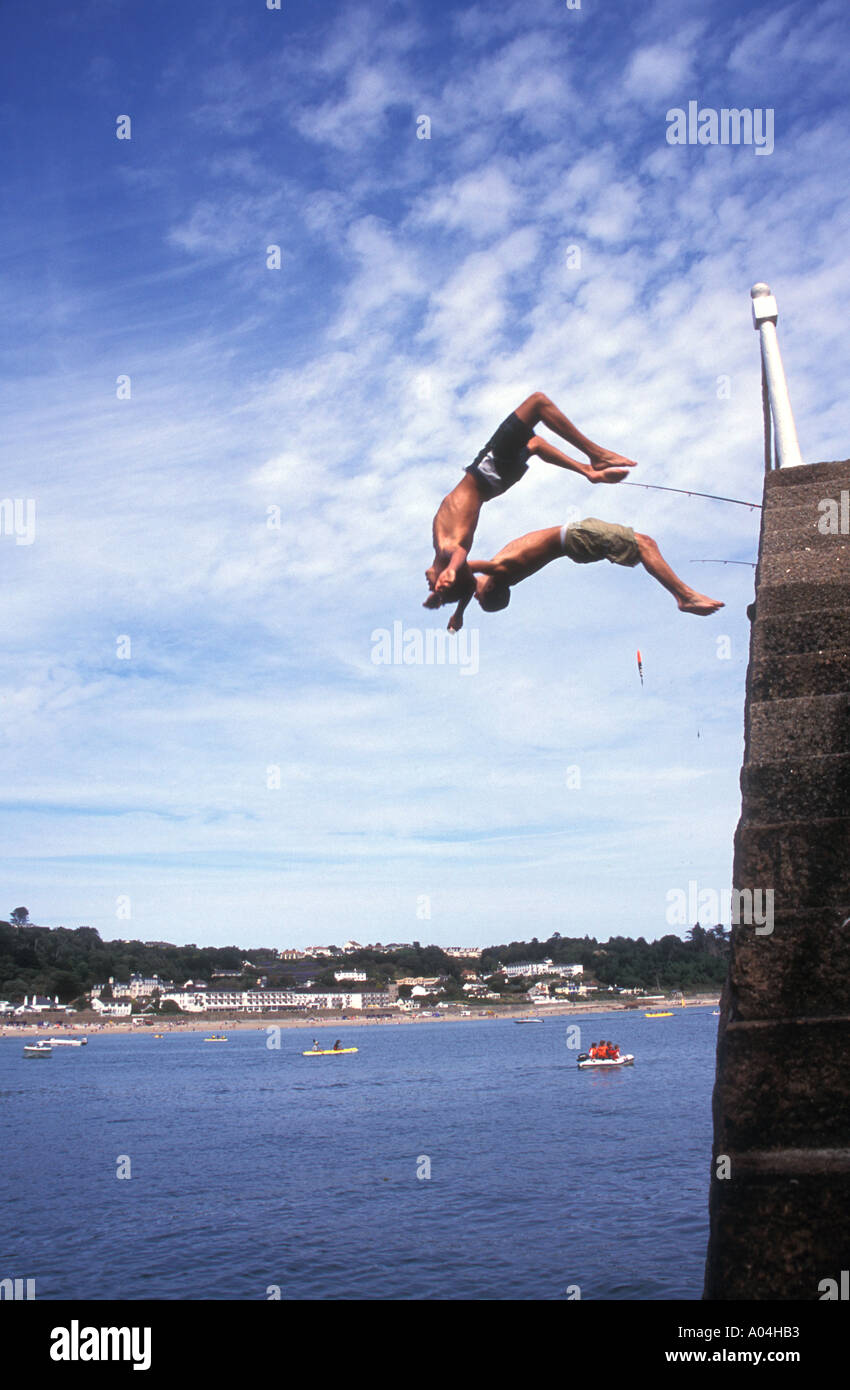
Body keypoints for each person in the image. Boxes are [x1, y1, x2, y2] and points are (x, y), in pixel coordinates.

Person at [425, 392, 637, 631]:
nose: (428, 584)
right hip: (488, 470)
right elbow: (459, 555)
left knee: (535, 445)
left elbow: (469, 584)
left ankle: (588, 470)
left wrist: (457, 611)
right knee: (538, 403)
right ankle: (596, 456)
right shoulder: (445, 549)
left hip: (496, 481)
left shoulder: (450, 560)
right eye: (432, 586)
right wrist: (451, 571)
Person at [462, 517, 724, 626]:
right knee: (645, 544)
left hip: (576, 538)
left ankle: (683, 595)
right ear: (492, 586)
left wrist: (458, 615)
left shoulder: (498, 574)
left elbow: (469, 583)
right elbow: (465, 566)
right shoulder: (500, 570)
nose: (474, 592)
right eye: (479, 595)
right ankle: (684, 596)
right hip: (577, 538)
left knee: (645, 545)